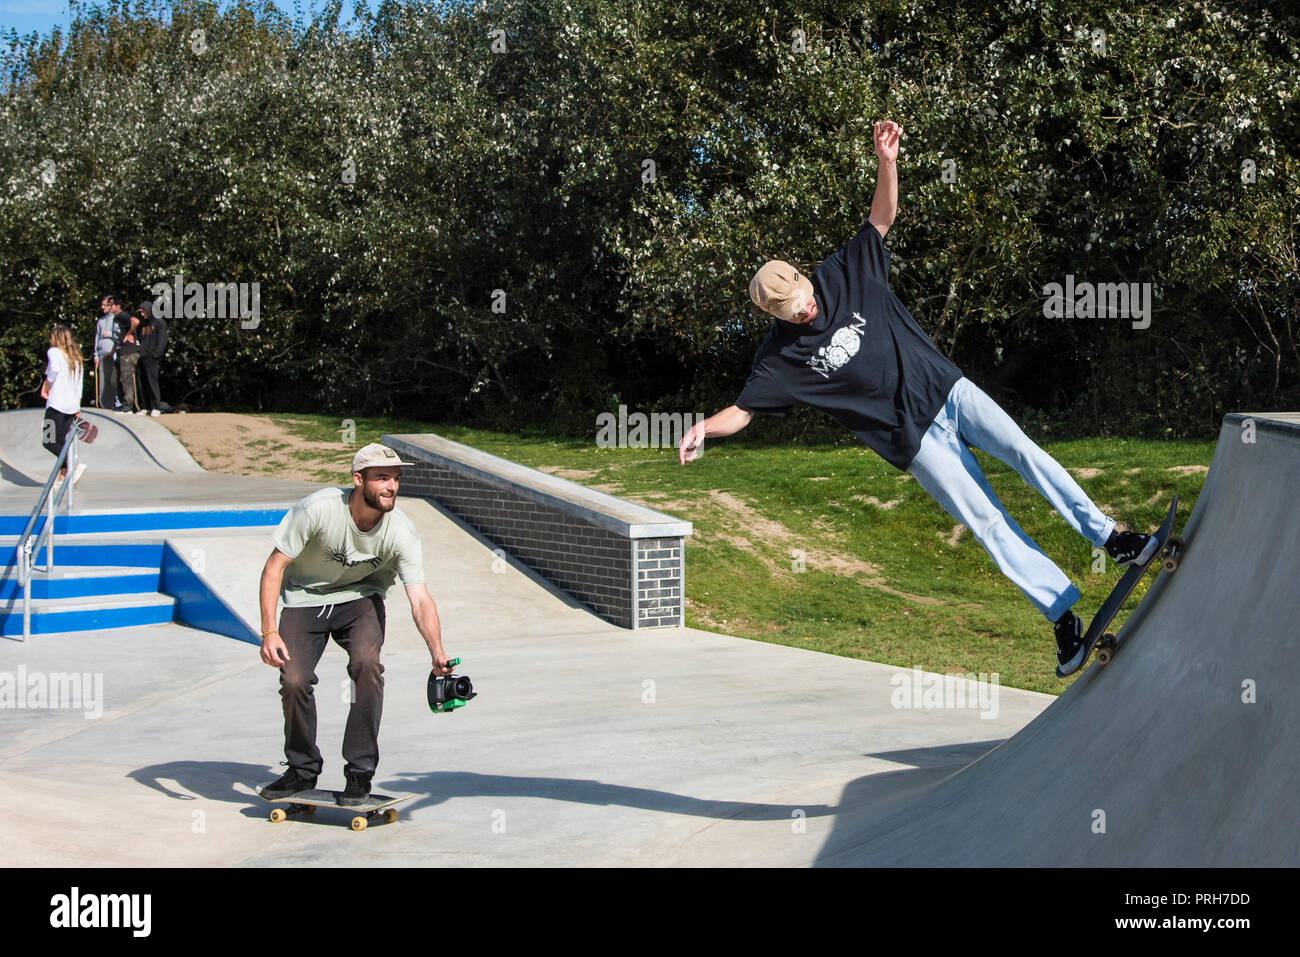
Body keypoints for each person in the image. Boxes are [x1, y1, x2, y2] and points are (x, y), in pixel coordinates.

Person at [678, 120, 1158, 678]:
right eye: (789, 312)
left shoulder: (842, 273)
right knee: (986, 522)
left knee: (1027, 454)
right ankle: (1062, 619)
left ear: (806, 280)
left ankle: (1112, 538)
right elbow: (743, 411)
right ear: (773, 317)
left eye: (802, 299)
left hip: (947, 389)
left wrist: (886, 160)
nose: (803, 311)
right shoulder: (778, 359)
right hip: (911, 441)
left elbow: (882, 218)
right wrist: (703, 429)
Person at [256, 443, 454, 805]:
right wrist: (269, 631)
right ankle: (301, 769)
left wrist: (436, 651)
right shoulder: (318, 510)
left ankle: (359, 772)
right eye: (382, 478)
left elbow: (420, 598)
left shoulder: (401, 531)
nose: (391, 487)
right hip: (305, 599)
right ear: (358, 479)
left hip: (360, 600)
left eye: (395, 479)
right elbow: (273, 569)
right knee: (294, 679)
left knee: (366, 665)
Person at [40, 324, 87, 487]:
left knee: (49, 441)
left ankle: (72, 465)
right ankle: (63, 476)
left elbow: (52, 371)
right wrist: (78, 404)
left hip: (56, 405)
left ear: (57, 339)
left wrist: (47, 382)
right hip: (71, 406)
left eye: (51, 337)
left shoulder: (53, 352)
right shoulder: (75, 357)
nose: (49, 340)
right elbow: (79, 383)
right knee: (60, 440)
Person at [136, 300, 167, 416]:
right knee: (142, 383)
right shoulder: (143, 325)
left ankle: (156, 407)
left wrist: (156, 354)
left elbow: (162, 340)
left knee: (152, 382)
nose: (142, 314)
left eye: (143, 312)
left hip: (152, 357)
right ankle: (146, 406)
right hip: (142, 357)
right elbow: (140, 339)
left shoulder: (160, 322)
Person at [93, 296, 118, 410]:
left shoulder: (116, 319)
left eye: (104, 305)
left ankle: (117, 402)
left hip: (113, 353)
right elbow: (97, 338)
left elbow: (120, 335)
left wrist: (109, 334)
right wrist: (96, 355)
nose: (102, 307)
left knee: (114, 378)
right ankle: (105, 404)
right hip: (102, 354)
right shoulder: (101, 321)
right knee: (104, 380)